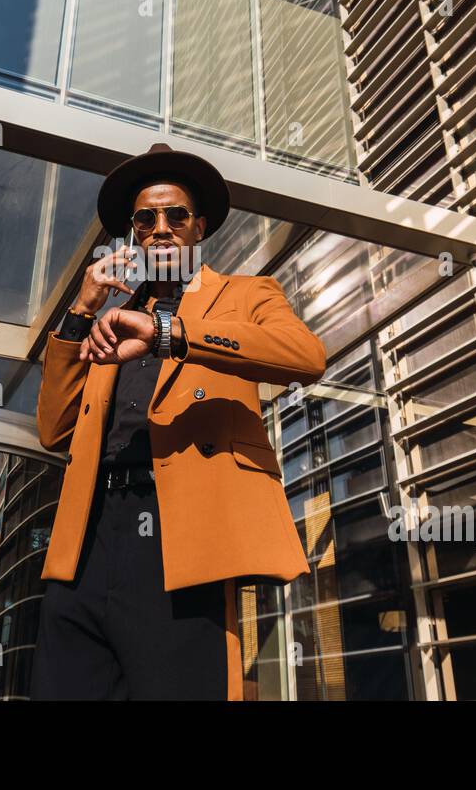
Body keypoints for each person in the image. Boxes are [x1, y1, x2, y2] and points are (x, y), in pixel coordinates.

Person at [28, 142, 327, 700]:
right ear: (133, 232)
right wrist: (79, 311)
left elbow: (304, 356)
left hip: (179, 534)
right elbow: (54, 430)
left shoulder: (244, 294)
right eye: (146, 218)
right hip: (86, 539)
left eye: (176, 216)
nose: (161, 228)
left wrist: (172, 335)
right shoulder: (110, 317)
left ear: (199, 227)